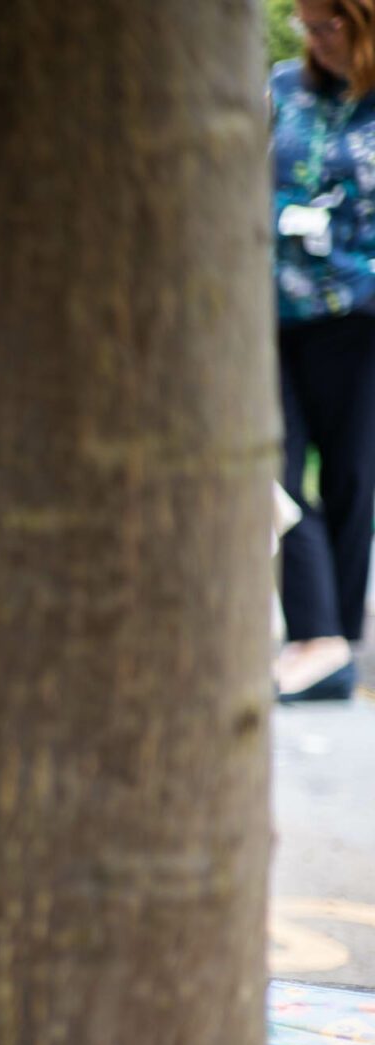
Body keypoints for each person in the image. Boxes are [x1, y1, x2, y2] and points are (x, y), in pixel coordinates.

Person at [271, 0, 375, 702]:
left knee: (350, 479)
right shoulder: (282, 87)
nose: (314, 39)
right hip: (272, 312)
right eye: (305, 24)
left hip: (360, 316)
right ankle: (314, 634)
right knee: (274, 468)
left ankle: (334, 645)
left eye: (326, 25)